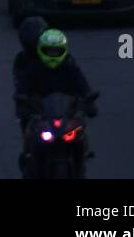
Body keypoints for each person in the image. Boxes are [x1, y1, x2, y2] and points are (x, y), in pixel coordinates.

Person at [15, 28, 97, 175]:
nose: (52, 55)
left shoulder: (70, 68)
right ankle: (28, 158)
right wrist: (22, 103)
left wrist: (88, 102)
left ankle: (82, 157)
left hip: (68, 115)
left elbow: (84, 88)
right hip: (42, 116)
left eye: (56, 51)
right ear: (41, 50)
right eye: (49, 51)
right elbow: (22, 90)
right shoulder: (33, 69)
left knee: (81, 132)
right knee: (29, 131)